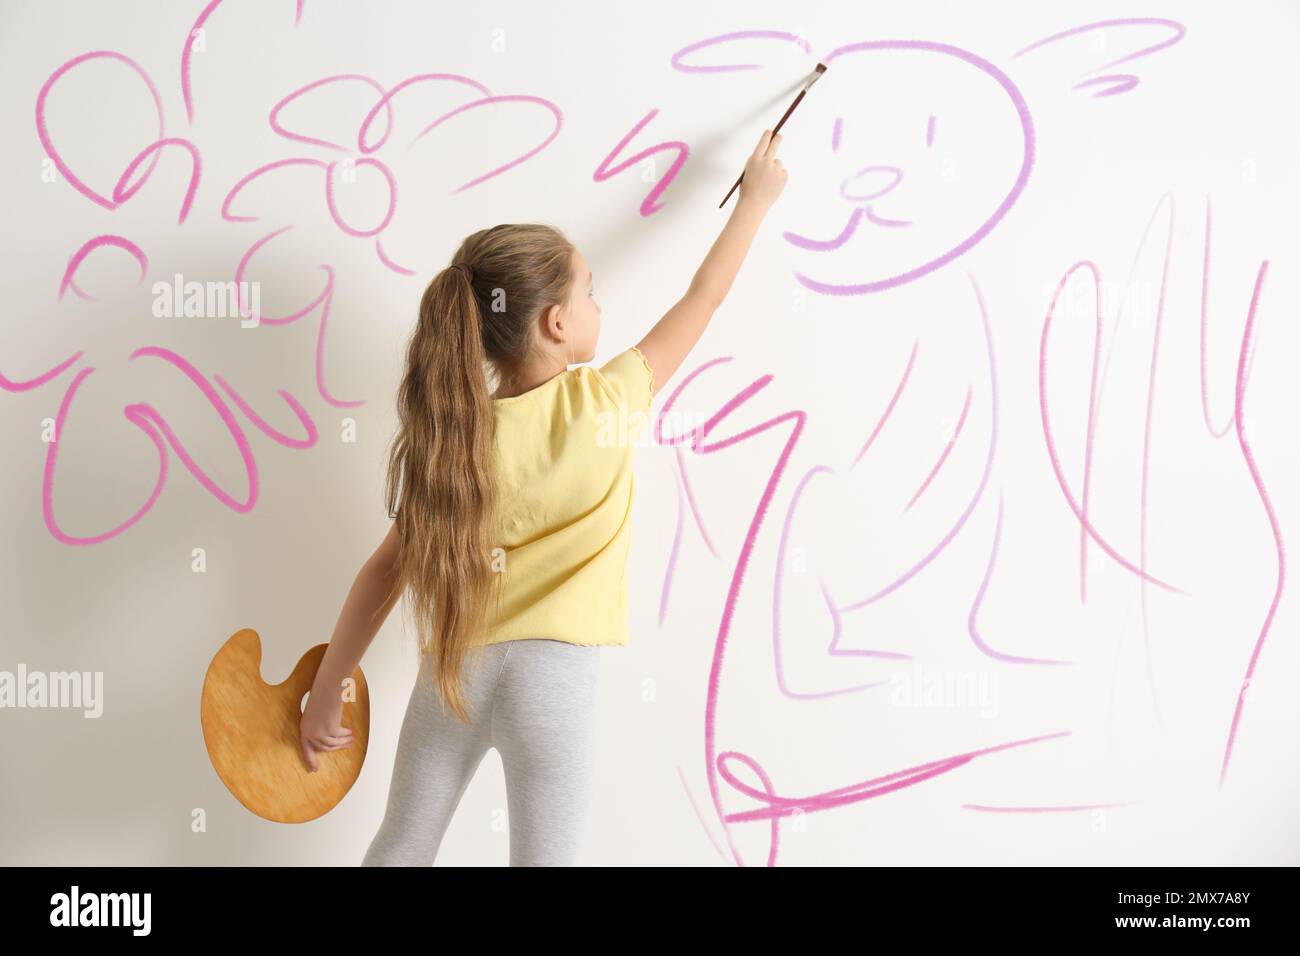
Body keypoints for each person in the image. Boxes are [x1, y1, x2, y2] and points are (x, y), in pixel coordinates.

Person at [299, 129, 788, 865]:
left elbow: (382, 573)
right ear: (558, 324)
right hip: (553, 680)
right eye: (588, 292)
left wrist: (330, 687)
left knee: (403, 841)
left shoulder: (453, 439)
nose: (598, 302)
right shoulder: (611, 399)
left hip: (452, 673)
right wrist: (754, 201)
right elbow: (705, 295)